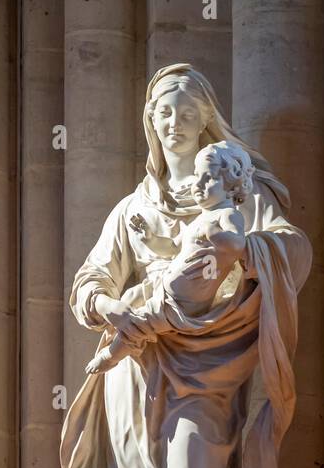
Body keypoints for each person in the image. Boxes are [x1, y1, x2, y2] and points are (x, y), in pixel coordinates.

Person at [60, 64, 311, 468]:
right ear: (151, 123)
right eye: (162, 112)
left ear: (206, 119)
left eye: (186, 111)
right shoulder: (130, 211)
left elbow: (293, 251)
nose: (174, 122)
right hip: (136, 378)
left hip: (208, 374)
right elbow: (87, 285)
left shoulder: (241, 186)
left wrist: (246, 251)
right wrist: (105, 306)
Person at [84, 140, 255, 376]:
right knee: (132, 298)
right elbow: (174, 246)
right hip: (164, 287)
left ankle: (110, 356)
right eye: (198, 176)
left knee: (141, 323)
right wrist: (150, 238)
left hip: (185, 299)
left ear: (231, 186)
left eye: (209, 178)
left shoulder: (227, 216)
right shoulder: (200, 217)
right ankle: (116, 352)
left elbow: (237, 244)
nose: (200, 184)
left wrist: (215, 233)